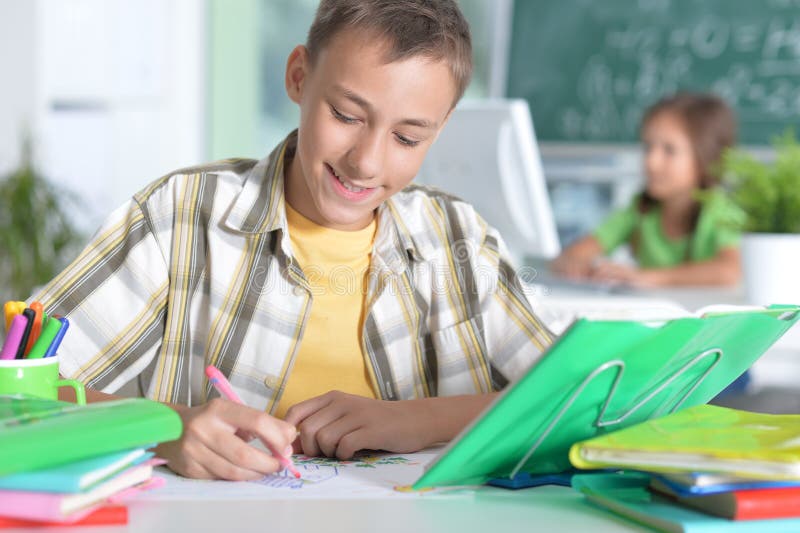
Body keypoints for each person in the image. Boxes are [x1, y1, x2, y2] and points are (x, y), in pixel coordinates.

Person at [33, 0, 553, 481]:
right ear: (299, 77)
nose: (366, 161)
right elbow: (18, 392)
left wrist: (422, 419)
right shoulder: (181, 217)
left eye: (407, 138)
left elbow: (581, 401)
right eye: (346, 116)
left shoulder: (458, 238)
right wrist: (162, 428)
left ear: (439, 129)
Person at [551, 92, 743, 287]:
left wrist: (645, 277)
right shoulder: (640, 209)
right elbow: (574, 254)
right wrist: (577, 265)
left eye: (669, 150)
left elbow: (729, 271)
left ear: (706, 159)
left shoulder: (722, 212)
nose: (651, 162)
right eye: (648, 147)